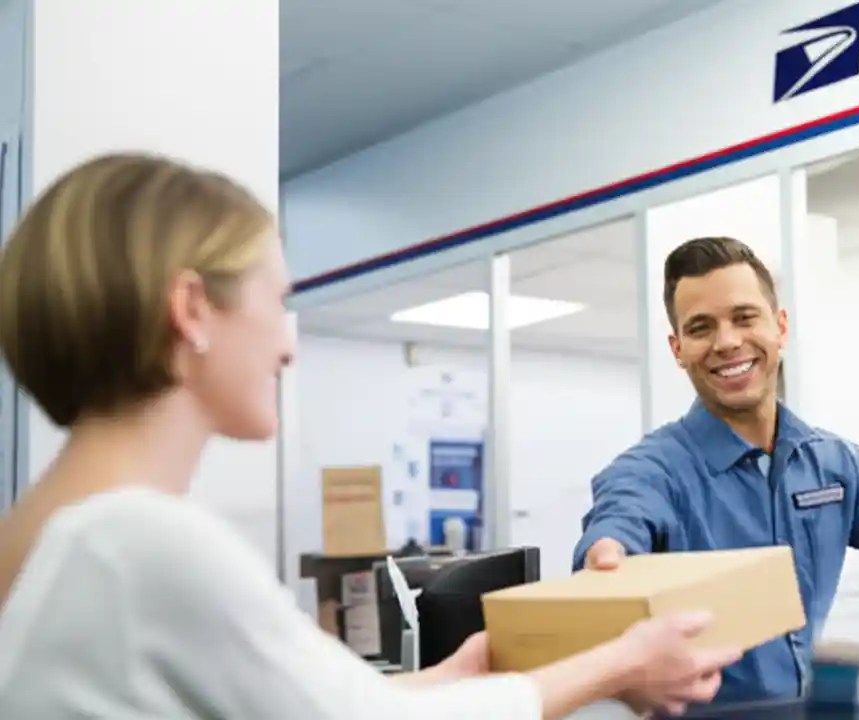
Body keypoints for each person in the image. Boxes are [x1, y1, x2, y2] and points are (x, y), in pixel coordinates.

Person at [0, 153, 741, 719]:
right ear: (192, 310)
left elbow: (319, 706)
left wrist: (451, 677)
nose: (289, 346)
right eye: (278, 300)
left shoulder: (62, 532)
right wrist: (621, 664)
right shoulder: (136, 542)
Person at [572, 236, 859, 704]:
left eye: (744, 318)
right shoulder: (652, 471)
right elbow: (618, 524)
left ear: (779, 326)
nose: (727, 342)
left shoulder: (837, 466)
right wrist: (606, 556)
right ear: (678, 348)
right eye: (701, 328)